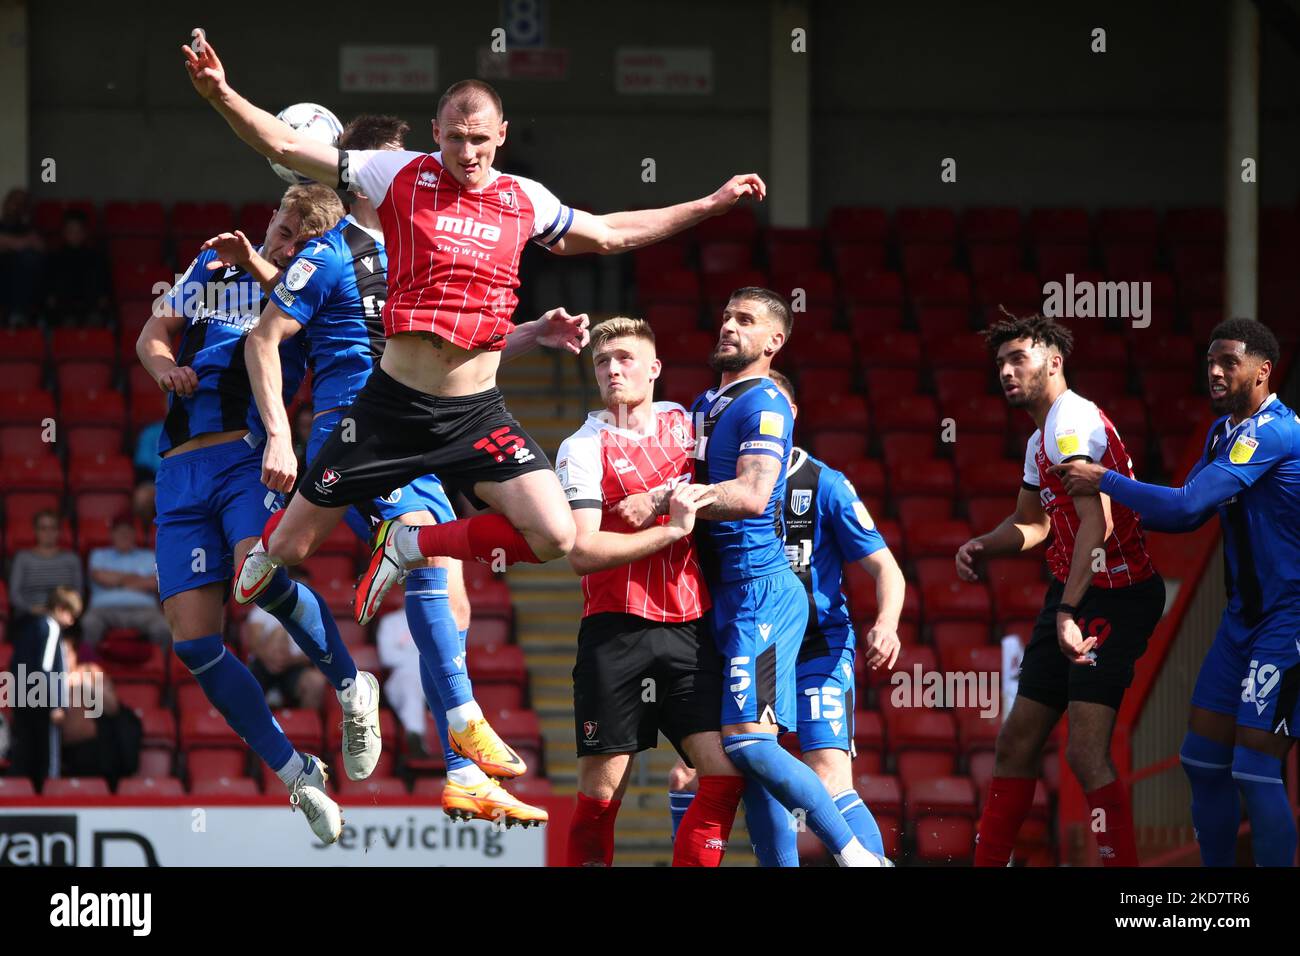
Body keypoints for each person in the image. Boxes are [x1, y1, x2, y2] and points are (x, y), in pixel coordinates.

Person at [180, 34, 767, 626]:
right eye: (456, 138)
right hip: (390, 408)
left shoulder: (523, 199)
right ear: (435, 133)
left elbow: (609, 232)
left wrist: (707, 205)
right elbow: (282, 141)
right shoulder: (397, 173)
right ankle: (273, 541)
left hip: (474, 414)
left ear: (502, 135)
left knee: (555, 534)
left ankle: (410, 545)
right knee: (290, 548)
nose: (468, 152)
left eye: (480, 140)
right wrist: (221, 94)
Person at [240, 112, 577, 825]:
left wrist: (534, 335)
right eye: (398, 162)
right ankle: (434, 724)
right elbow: (267, 337)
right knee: (429, 565)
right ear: (362, 174)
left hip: (423, 427)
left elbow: (458, 349)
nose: (420, 173)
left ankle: (450, 758)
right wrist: (278, 435)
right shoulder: (331, 251)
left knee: (447, 594)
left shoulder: (426, 250)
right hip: (371, 429)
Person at [619, 288, 890, 866]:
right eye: (724, 316)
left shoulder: (765, 403)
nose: (728, 327)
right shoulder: (705, 403)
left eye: (745, 320)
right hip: (717, 605)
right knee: (727, 758)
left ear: (775, 341)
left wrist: (665, 498)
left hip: (762, 597)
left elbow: (751, 493)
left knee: (749, 741)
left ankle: (858, 857)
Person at [137, 183, 365, 844]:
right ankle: (299, 776)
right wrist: (162, 369)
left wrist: (269, 263)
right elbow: (156, 333)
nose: (282, 238)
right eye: (280, 225)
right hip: (179, 468)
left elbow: (298, 322)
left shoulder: (310, 279)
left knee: (258, 577)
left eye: (297, 236)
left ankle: (352, 689)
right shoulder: (212, 265)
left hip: (247, 457)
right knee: (195, 643)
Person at [1052, 318, 1300, 867]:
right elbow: (1185, 516)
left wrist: (1106, 481)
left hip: (1290, 621)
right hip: (1242, 621)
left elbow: (1187, 504)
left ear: (1263, 371)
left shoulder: (1276, 431)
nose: (1213, 372)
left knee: (1256, 769)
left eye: (1227, 363)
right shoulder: (1222, 434)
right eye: (1209, 362)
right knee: (1201, 760)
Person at [667, 369, 905, 862]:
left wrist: (886, 622)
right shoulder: (715, 478)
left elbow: (887, 568)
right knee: (748, 757)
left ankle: (866, 859)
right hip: (751, 633)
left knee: (827, 770)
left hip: (816, 645)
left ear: (787, 415)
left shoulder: (827, 485)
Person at [955, 312, 1166, 867]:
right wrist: (985, 544)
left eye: (1017, 358)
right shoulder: (1039, 439)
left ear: (1054, 360)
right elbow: (1036, 525)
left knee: (1084, 752)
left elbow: (1095, 525)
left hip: (1117, 594)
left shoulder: (1070, 421)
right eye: (1000, 362)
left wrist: (1069, 610)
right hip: (1074, 596)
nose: (1005, 370)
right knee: (1016, 741)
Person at [554, 316, 738, 866]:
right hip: (617, 633)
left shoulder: (691, 424)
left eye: (626, 359)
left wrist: (661, 496)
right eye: (603, 362)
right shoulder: (582, 446)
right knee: (601, 797)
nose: (613, 370)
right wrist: (671, 530)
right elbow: (582, 552)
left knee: (725, 774)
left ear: (655, 368)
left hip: (691, 631)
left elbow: (737, 485)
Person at [7, 587, 84, 785]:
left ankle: (20, 796)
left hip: (23, 699)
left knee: (24, 754)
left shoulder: (30, 628)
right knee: (47, 758)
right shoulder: (50, 628)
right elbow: (45, 668)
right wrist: (54, 704)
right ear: (60, 608)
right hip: (41, 703)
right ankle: (49, 796)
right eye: (70, 614)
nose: (72, 621)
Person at [55, 634, 142, 785]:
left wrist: (84, 684)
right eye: (59, 655)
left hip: (99, 755)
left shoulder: (89, 672)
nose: (63, 659)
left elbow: (112, 707)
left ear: (75, 655)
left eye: (66, 653)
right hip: (63, 757)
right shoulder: (45, 683)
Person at [80, 515, 171, 648]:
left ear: (134, 534)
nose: (124, 535)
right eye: (120, 531)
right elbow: (100, 577)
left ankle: (161, 668)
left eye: (128, 531)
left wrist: (115, 579)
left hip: (144, 611)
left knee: (163, 628)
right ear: (112, 534)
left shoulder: (148, 556)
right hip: (103, 610)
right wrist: (137, 580)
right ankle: (87, 666)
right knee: (89, 624)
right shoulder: (98, 554)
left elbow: (155, 583)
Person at [242, 568, 328, 710]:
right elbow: (254, 642)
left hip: (294, 666)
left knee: (316, 682)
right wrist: (272, 659)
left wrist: (289, 660)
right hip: (263, 665)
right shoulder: (264, 609)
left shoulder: (313, 617)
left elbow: (318, 651)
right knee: (279, 633)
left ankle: (305, 729)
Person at [8, 509, 83, 618]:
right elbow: (14, 594)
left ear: (59, 531)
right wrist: (31, 609)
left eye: (53, 528)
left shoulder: (72, 559)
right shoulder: (23, 558)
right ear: (35, 530)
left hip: (64, 616)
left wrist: (64, 611)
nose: (48, 533)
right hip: (30, 615)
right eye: (43, 528)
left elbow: (78, 593)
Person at [41, 209, 111, 326]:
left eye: (78, 231)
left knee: (95, 321)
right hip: (63, 308)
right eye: (71, 231)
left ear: (85, 233)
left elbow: (104, 287)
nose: (74, 235)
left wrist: (102, 299)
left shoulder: (96, 257)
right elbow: (49, 290)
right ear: (64, 233)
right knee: (66, 323)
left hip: (91, 306)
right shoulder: (54, 258)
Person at [0, 187, 44, 325]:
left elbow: (39, 246)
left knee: (29, 259)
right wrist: (20, 243)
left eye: (21, 203)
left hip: (17, 281)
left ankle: (18, 315)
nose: (16, 207)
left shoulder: (29, 229)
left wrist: (8, 243)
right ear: (5, 203)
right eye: (13, 202)